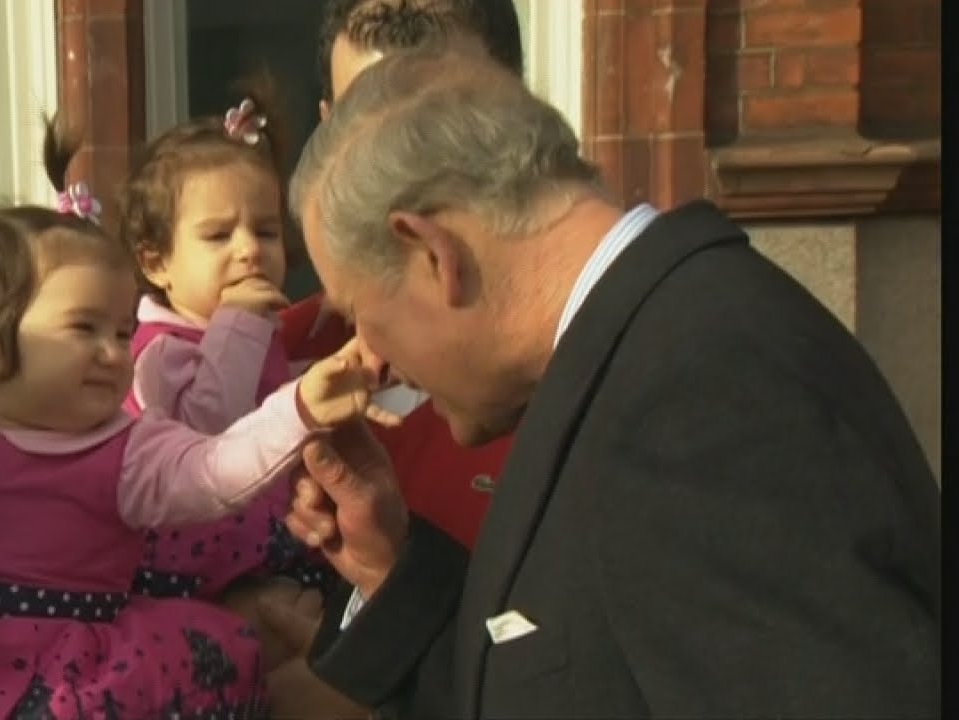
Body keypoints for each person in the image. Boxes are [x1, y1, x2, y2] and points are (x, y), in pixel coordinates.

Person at [274, 43, 942, 718]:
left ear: (431, 253)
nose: (372, 359)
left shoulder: (700, 387)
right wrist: (390, 574)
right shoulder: (639, 357)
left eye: (360, 312)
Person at [0, 118, 394, 719]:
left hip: (76, 675)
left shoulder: (124, 452)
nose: (116, 353)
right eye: (84, 330)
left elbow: (215, 466)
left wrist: (302, 407)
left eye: (122, 331)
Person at [281, 0, 527, 550]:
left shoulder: (578, 368)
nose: (397, 165)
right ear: (325, 132)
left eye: (432, 122)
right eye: (363, 127)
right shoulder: (270, 366)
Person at [118, 92, 330, 610]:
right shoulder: (158, 352)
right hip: (192, 574)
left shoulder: (251, 332)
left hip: (265, 546)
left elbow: (266, 398)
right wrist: (239, 324)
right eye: (217, 235)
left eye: (265, 231)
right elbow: (205, 434)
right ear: (156, 263)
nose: (249, 249)